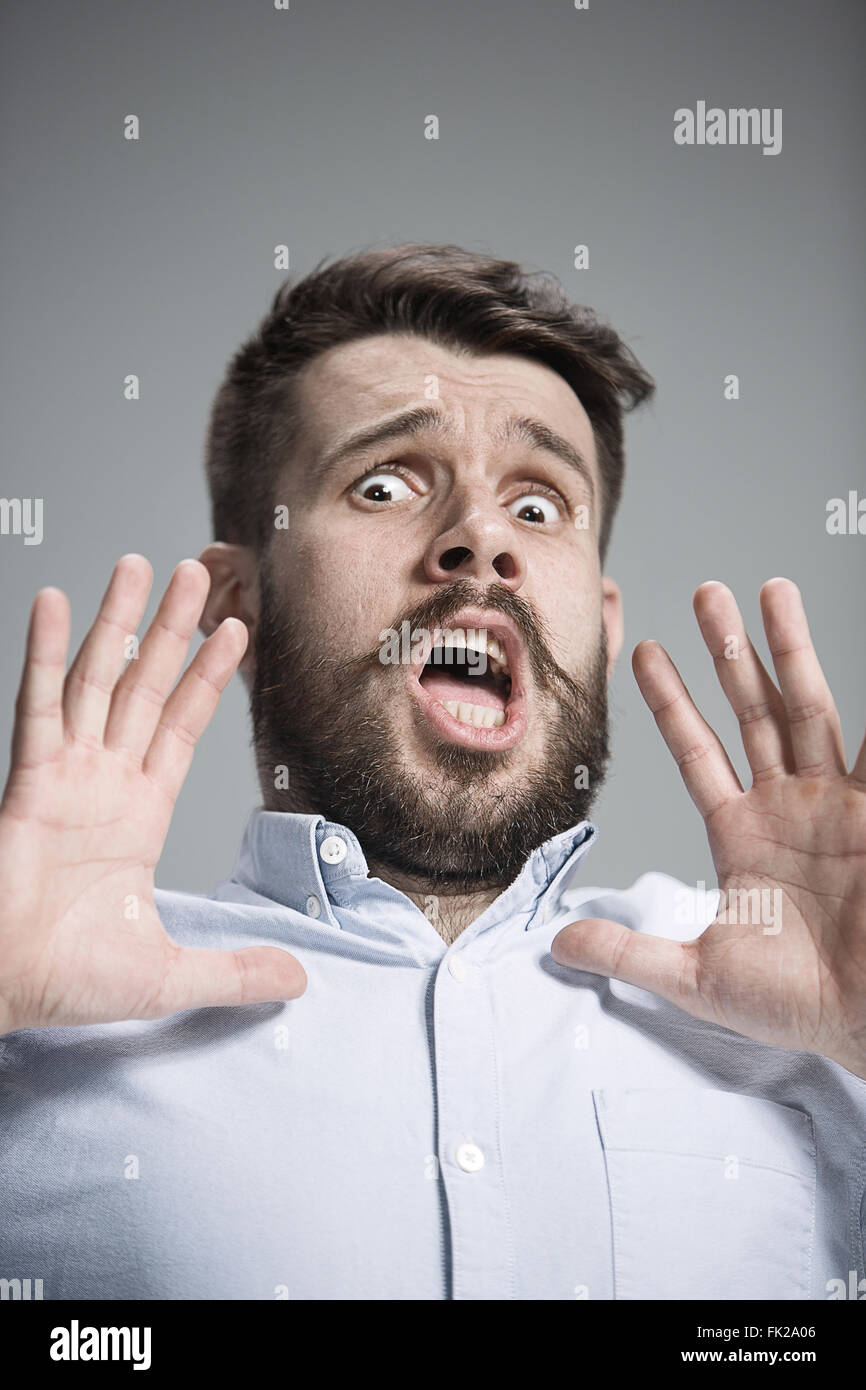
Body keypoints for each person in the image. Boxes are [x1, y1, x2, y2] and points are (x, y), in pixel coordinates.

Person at [1, 244, 863, 1302]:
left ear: (594, 624)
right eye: (382, 483)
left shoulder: (804, 1009)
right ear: (239, 601)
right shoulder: (43, 1011)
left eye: (539, 506)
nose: (479, 538)